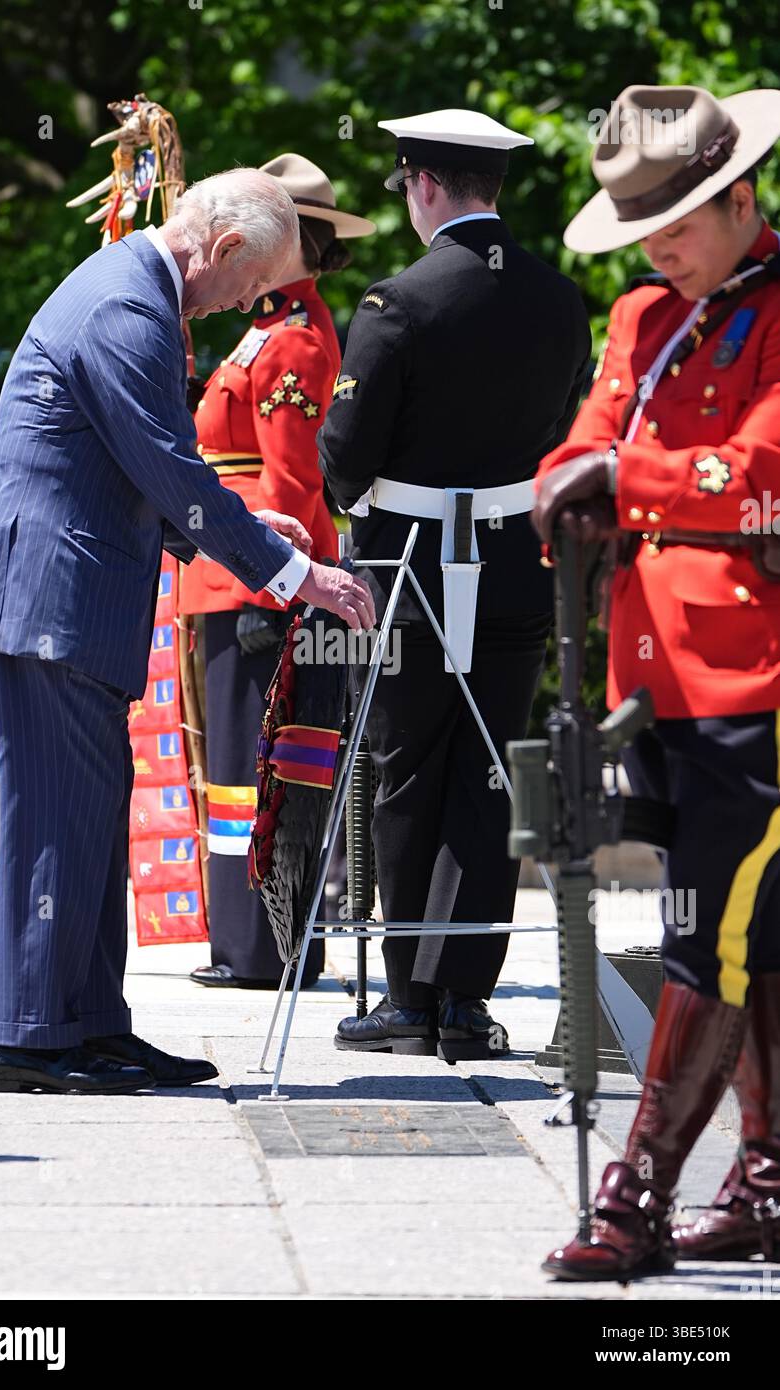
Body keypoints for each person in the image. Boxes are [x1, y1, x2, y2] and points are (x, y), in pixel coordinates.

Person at [0, 167, 375, 1096]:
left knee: (89, 818)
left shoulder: (130, 294)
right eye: (244, 284)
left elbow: (141, 472)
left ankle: (88, 1025)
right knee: (59, 820)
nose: (238, 306)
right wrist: (298, 575)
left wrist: (259, 534)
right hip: (52, 599)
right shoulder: (127, 309)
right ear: (219, 249)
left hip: (66, 595)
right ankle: (29, 1037)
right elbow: (173, 470)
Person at [534, 83, 780, 1279]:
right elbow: (581, 440)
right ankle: (766, 1181)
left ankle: (633, 1198)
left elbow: (760, 479)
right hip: (651, 672)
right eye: (640, 225)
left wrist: (622, 481)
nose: (655, 246)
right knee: (756, 935)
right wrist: (569, 483)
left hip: (756, 676)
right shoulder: (639, 315)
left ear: (740, 200)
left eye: (676, 220)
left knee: (703, 933)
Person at [318, 109, 591, 1061]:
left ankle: (407, 997)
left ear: (422, 184)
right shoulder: (560, 299)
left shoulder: (398, 302)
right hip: (515, 558)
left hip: (405, 566)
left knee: (404, 768)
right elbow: (566, 422)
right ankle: (467, 999)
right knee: (490, 771)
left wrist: (352, 496)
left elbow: (345, 457)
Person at [182, 154, 375, 990]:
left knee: (254, 770)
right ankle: (243, 943)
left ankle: (264, 949)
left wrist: (277, 586)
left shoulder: (294, 337)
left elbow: (294, 485)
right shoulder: (264, 324)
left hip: (254, 581)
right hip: (227, 572)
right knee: (230, 771)